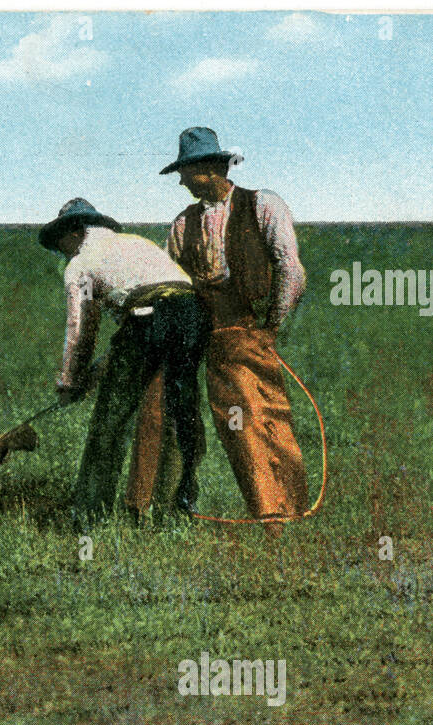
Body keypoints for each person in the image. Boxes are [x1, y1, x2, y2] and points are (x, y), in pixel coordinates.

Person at [134, 127, 308, 529]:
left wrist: (272, 326)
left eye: (186, 172)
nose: (180, 181)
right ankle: (164, 507)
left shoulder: (263, 204)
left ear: (211, 169)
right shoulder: (182, 224)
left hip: (246, 330)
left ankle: (278, 514)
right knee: (192, 416)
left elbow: (290, 269)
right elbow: (167, 278)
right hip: (199, 331)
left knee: (259, 420)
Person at [38, 198, 210, 526]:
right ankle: (177, 511)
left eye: (60, 241)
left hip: (149, 317)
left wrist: (69, 382)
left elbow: (81, 330)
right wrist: (100, 368)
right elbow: (131, 336)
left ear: (74, 232)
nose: (61, 251)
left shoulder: (80, 264)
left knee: (110, 423)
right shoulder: (135, 244)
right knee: (181, 415)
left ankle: (89, 516)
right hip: (192, 315)